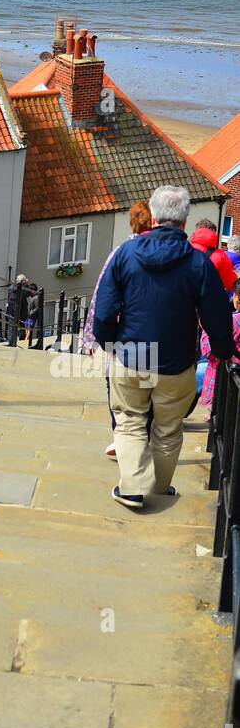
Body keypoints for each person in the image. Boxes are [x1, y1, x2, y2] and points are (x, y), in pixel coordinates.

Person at [93, 185, 233, 509]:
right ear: (184, 222)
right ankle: (159, 487)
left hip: (131, 356)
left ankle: (132, 488)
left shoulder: (125, 254)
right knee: (168, 429)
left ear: (153, 217)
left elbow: (103, 312)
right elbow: (218, 318)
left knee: (129, 419)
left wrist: (113, 344)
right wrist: (223, 352)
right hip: (176, 361)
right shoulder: (199, 264)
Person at [83, 200, 152, 457]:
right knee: (147, 391)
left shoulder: (122, 253)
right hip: (159, 338)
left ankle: (123, 438)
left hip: (126, 337)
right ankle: (139, 439)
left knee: (119, 388)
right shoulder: (172, 252)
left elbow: (102, 297)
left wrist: (95, 338)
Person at [199, 276, 240, 414]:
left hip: (222, 388)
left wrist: (206, 328)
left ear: (236, 297)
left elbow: (208, 350)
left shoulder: (231, 321)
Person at [189, 217, 237, 291]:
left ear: (196, 231)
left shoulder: (183, 248)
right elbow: (232, 284)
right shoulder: (220, 255)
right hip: (205, 299)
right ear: (213, 233)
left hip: (179, 297)